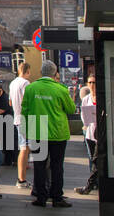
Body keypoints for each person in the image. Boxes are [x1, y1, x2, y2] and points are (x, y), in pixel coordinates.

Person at [21, 60, 77, 207]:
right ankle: (57, 197)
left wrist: (25, 130)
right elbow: (71, 109)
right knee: (57, 166)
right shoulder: (61, 89)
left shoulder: (31, 88)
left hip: (37, 132)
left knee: (39, 166)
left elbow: (25, 110)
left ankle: (41, 197)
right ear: (54, 73)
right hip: (58, 133)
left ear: (41, 72)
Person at [75, 74, 99, 194]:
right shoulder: (86, 99)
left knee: (96, 159)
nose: (92, 85)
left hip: (100, 132)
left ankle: (89, 186)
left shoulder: (101, 98)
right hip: (90, 131)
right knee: (92, 159)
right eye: (90, 83)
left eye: (94, 82)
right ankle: (94, 184)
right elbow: (84, 116)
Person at [10, 61, 31, 187]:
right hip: (25, 119)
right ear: (27, 71)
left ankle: (21, 178)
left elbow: (10, 103)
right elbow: (27, 101)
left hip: (17, 118)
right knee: (24, 148)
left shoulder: (13, 83)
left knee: (24, 148)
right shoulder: (25, 83)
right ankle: (21, 179)